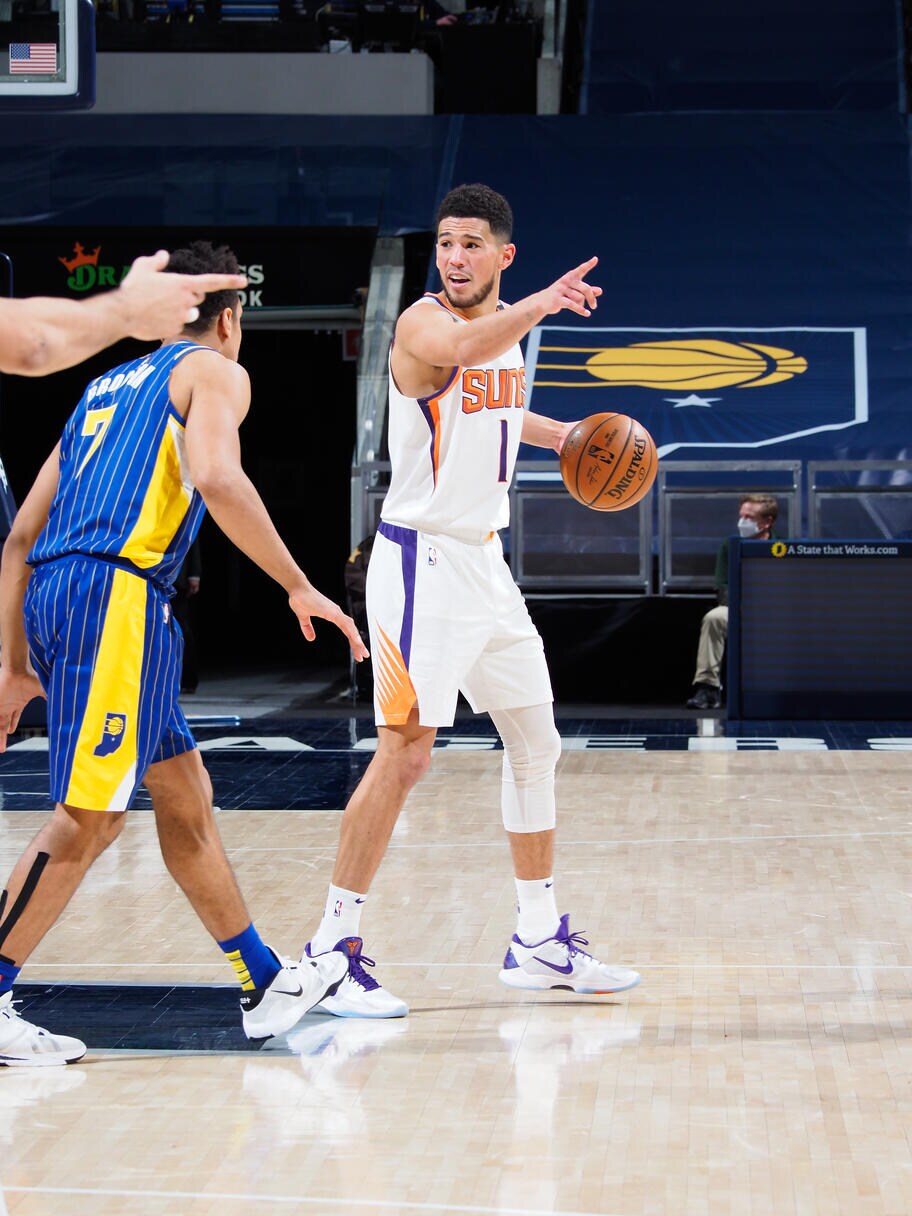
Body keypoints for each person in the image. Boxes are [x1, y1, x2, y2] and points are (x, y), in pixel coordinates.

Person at [0, 240, 368, 1066]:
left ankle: (265, 978)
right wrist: (298, 584)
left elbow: (20, 535)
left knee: (183, 789)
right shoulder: (214, 371)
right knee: (88, 818)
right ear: (230, 317)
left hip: (65, 592)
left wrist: (14, 663)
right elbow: (219, 477)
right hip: (117, 596)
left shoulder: (97, 387)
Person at [301, 182, 641, 1018]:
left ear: (502, 253)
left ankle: (535, 940)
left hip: (484, 565)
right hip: (422, 563)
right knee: (406, 752)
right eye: (446, 243)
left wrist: (559, 434)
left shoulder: (507, 339)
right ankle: (330, 951)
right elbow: (459, 352)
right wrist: (541, 304)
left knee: (536, 740)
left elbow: (494, 401)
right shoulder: (423, 324)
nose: (453, 257)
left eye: (470, 244)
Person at [0, 249, 247, 378]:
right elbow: (34, 345)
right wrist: (129, 308)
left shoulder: (99, 385)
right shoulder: (218, 372)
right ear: (227, 321)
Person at [685, 493, 779, 710]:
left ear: (767, 521)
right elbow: (722, 588)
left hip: (775, 612)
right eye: (741, 516)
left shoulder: (781, 546)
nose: (742, 522)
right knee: (714, 618)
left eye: (750, 517)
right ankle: (707, 688)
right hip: (739, 610)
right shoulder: (730, 545)